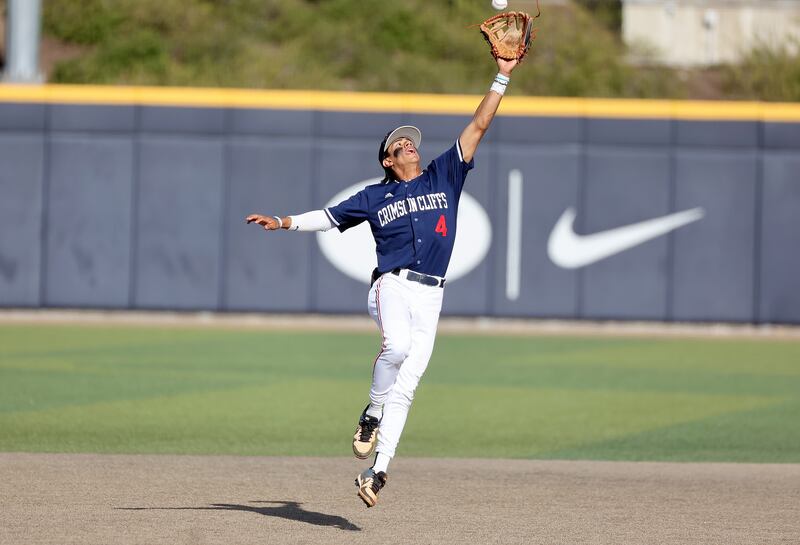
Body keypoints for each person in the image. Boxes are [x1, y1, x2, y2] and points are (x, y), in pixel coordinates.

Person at [246, 55, 520, 507]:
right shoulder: (375, 196)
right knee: (394, 349)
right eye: (400, 146)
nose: (410, 146)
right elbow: (330, 218)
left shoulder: (444, 176)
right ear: (388, 161)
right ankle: (371, 413)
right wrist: (284, 221)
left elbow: (478, 125)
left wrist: (503, 75)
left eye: (411, 142)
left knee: (408, 383)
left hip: (431, 295)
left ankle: (377, 473)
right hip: (390, 284)